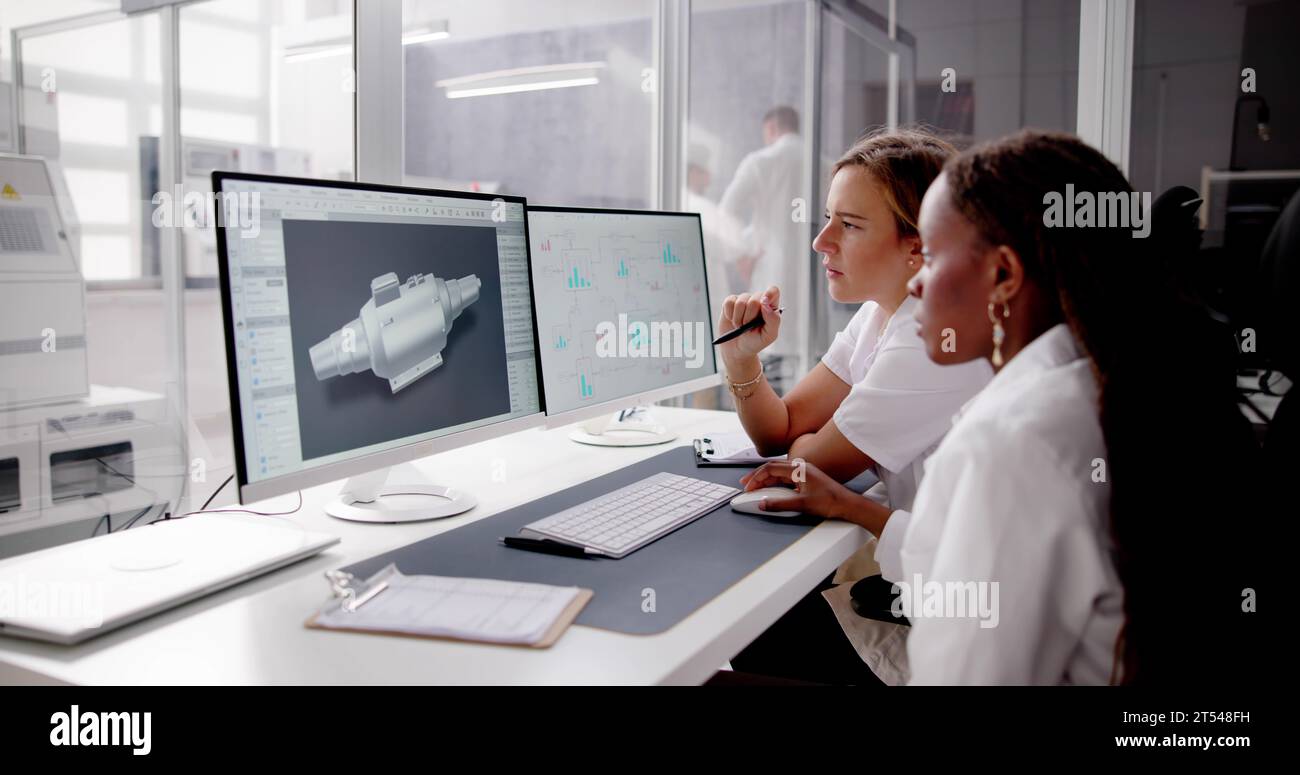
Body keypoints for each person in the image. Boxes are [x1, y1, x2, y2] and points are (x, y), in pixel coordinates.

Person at [741, 129, 1261, 684]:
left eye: (934, 258)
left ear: (1005, 276)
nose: (917, 286)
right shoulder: (1096, 384)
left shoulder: (1010, 442)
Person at [716, 128, 991, 685]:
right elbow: (786, 432)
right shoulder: (878, 315)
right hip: (926, 574)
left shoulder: (929, 340)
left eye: (849, 225)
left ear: (918, 246)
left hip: (961, 620)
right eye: (826, 217)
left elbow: (812, 463)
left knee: (749, 636)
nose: (821, 241)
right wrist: (743, 360)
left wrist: (804, 448)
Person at [719, 106, 808, 390]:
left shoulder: (760, 161)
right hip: (814, 276)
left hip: (772, 269)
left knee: (770, 359)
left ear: (770, 128)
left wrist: (741, 253)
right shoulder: (822, 162)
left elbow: (726, 212)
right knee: (806, 359)